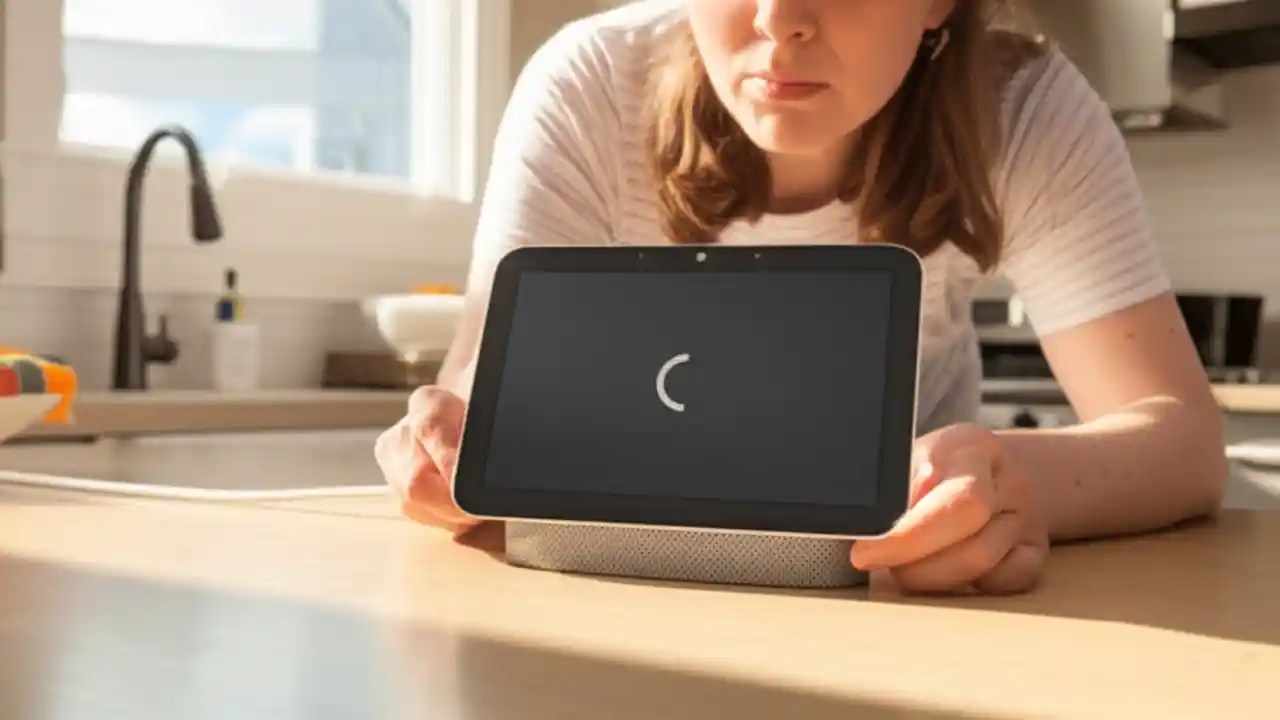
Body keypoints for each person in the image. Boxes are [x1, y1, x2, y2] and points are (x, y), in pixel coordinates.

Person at [375, 0, 1228, 595]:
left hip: (893, 588)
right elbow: (477, 406)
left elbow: (1182, 442)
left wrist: (1016, 481)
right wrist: (446, 454)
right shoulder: (589, 83)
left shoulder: (1026, 110)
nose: (780, 18)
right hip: (629, 593)